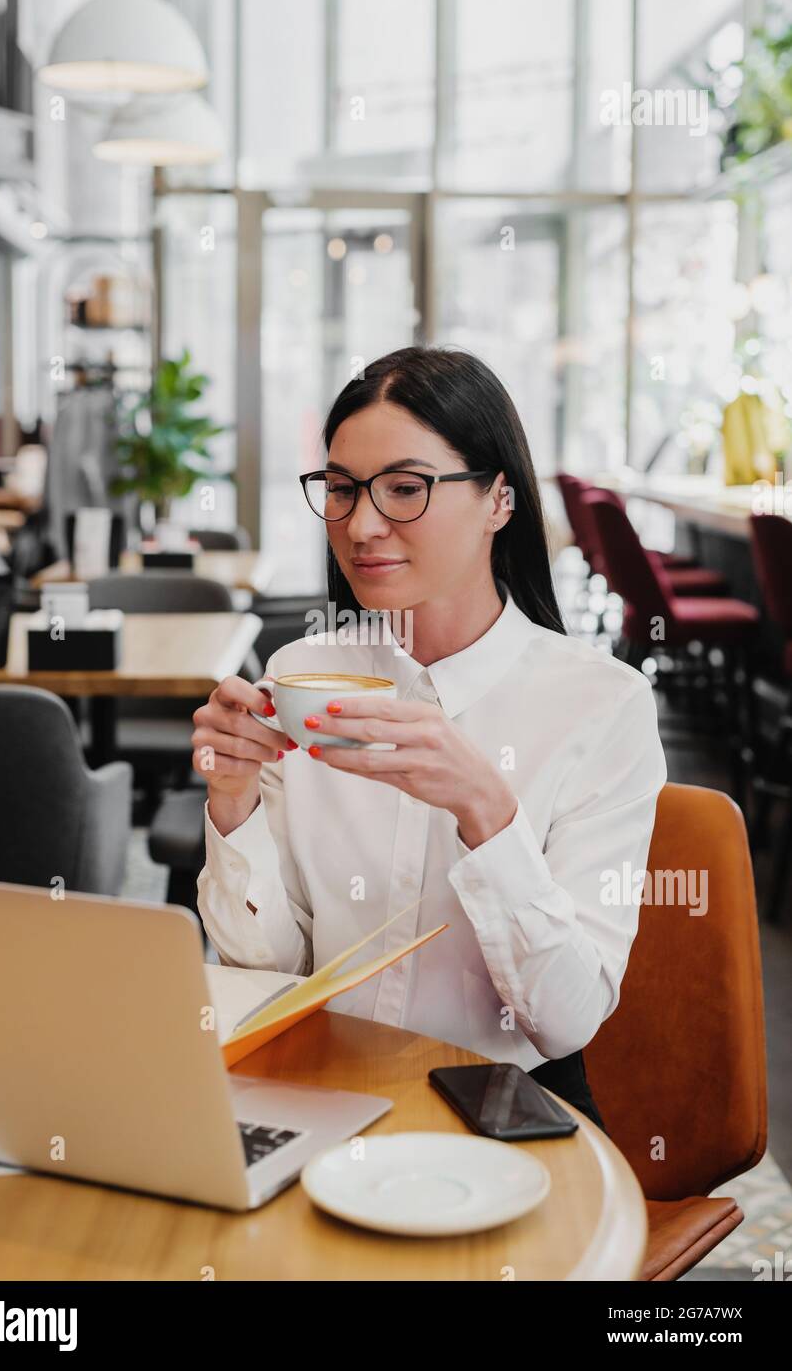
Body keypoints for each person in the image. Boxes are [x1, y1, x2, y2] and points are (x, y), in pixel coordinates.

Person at [192, 346, 666, 1131]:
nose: (362, 524)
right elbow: (271, 971)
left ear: (499, 500)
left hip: (494, 1112)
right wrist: (234, 802)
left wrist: (486, 809)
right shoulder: (303, 675)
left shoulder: (600, 705)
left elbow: (567, 1020)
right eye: (341, 490)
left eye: (406, 489)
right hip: (319, 1087)